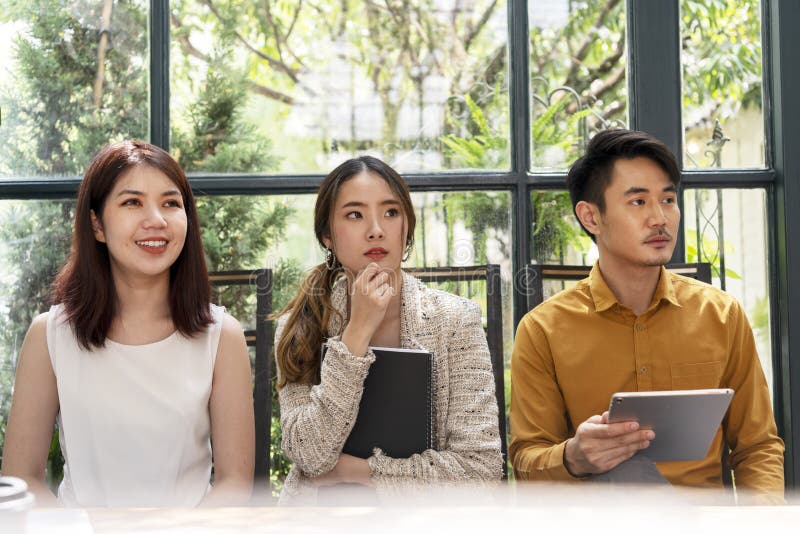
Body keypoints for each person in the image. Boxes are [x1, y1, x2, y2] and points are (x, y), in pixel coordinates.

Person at [509, 129, 784, 503]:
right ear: (591, 217)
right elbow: (525, 461)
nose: (660, 218)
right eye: (638, 202)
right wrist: (573, 457)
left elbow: (758, 446)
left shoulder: (722, 315)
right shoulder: (542, 330)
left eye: (668, 199)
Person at [1, 141, 254, 507]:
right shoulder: (50, 335)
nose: (157, 219)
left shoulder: (220, 336)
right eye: (132, 202)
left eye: (171, 203)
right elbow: (22, 479)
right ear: (97, 225)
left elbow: (234, 484)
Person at [274, 156, 503, 504]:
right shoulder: (300, 326)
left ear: (406, 227)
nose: (376, 229)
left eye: (391, 212)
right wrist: (357, 333)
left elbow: (480, 471)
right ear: (327, 236)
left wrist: (361, 472)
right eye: (355, 214)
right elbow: (309, 453)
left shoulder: (457, 321)